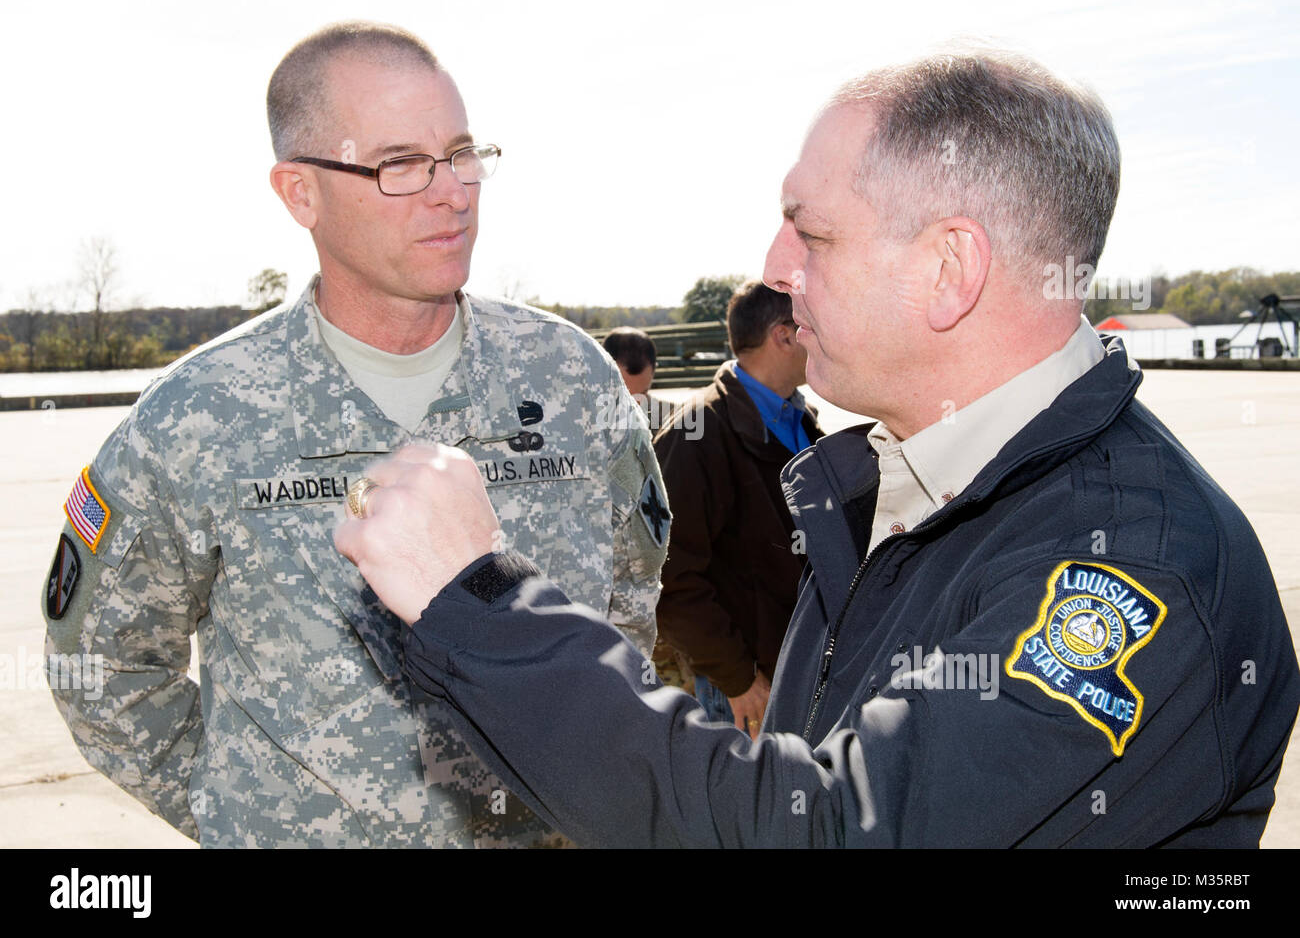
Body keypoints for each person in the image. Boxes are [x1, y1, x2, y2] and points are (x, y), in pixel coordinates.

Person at [335, 49, 1300, 846]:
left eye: (813, 232)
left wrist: (484, 606)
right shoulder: (915, 478)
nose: (774, 268)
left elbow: (824, 830)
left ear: (949, 269)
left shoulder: (1132, 566)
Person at [41, 21, 666, 848]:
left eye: (463, 153)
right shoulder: (196, 420)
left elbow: (631, 604)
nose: (453, 191)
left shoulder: (572, 385)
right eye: (401, 164)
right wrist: (243, 815)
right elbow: (103, 671)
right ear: (301, 193)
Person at [654, 280, 824, 734]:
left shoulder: (801, 420)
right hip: (751, 690)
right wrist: (739, 678)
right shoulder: (695, 435)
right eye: (812, 324)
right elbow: (670, 578)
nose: (822, 336)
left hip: (802, 672)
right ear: (783, 335)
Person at [602, 326, 673, 433]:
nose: (634, 404)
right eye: (622, 394)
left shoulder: (671, 418)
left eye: (642, 393)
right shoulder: (582, 418)